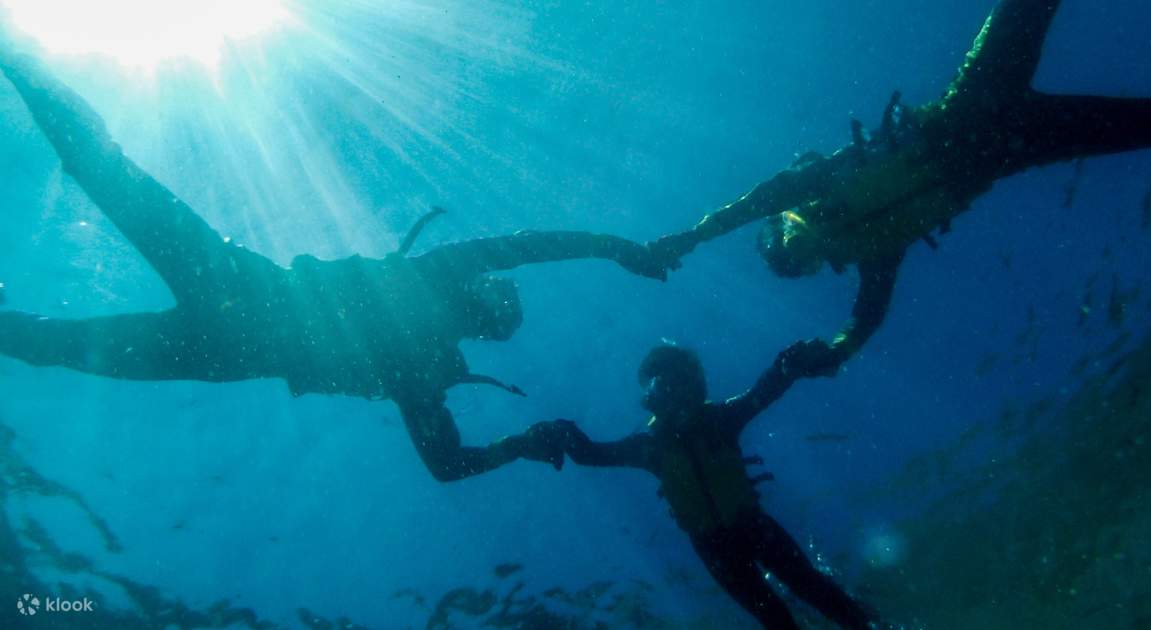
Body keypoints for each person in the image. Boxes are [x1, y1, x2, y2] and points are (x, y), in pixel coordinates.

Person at [0, 44, 667, 483]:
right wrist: (518, 446)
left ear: (484, 304)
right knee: (63, 331)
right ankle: (20, 61)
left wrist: (615, 247)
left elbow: (529, 246)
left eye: (496, 292)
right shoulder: (427, 365)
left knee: (105, 177)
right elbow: (450, 464)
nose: (491, 284)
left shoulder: (429, 329)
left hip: (244, 299)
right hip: (237, 343)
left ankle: (20, 61)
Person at [649, 0, 1151, 284]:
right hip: (1001, 145)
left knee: (1148, 121)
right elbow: (867, 314)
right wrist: (843, 345)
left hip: (974, 113)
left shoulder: (821, 189)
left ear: (787, 226)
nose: (804, 253)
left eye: (790, 247)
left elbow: (759, 200)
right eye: (802, 264)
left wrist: (691, 237)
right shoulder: (869, 250)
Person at [550, 339, 877, 629]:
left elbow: (766, 389)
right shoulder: (654, 446)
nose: (677, 395)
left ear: (695, 386)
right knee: (779, 616)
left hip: (747, 530)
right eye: (666, 386)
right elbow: (591, 454)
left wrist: (786, 364)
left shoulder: (715, 422)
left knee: (816, 591)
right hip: (720, 546)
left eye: (681, 382)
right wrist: (562, 431)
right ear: (653, 397)